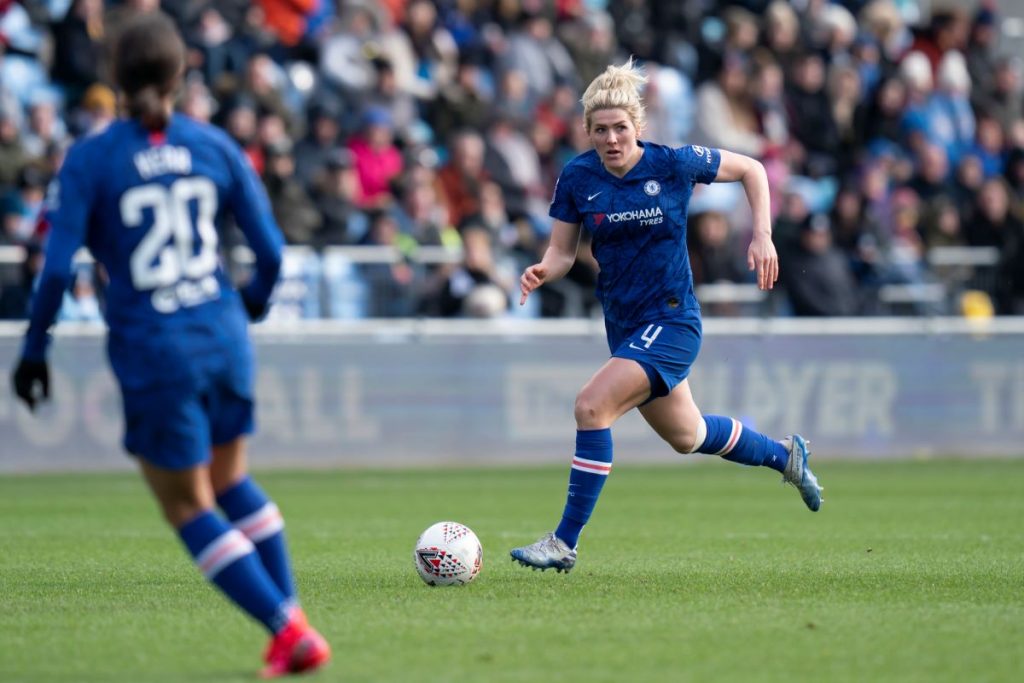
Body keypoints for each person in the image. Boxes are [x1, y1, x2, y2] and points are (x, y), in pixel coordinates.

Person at [8, 14, 330, 677]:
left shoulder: (92, 157)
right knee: (228, 478)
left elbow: (56, 266)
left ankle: (287, 627)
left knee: (188, 503)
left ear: (114, 80)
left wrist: (34, 349)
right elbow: (270, 252)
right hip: (222, 334)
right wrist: (246, 311)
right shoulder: (214, 145)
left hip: (157, 349)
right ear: (182, 74)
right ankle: (291, 622)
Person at [510, 60, 823, 573]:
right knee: (690, 436)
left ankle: (564, 541)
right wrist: (545, 269)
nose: (611, 139)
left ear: (639, 127)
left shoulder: (674, 164)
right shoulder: (577, 177)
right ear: (587, 132)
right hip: (628, 327)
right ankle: (785, 455)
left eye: (620, 128)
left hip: (674, 320)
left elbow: (753, 169)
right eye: (600, 130)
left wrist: (762, 234)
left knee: (591, 407)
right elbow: (564, 252)